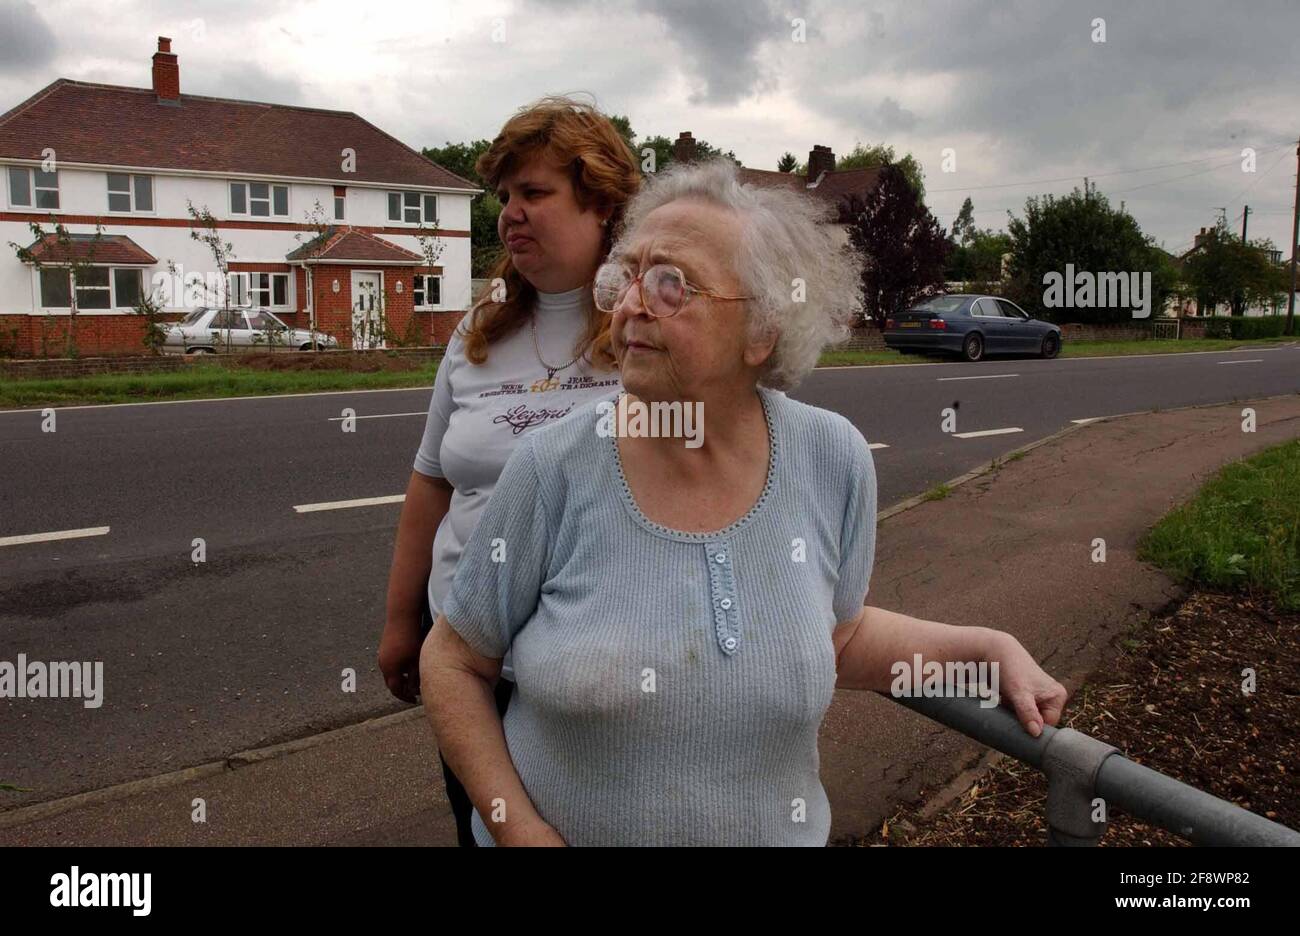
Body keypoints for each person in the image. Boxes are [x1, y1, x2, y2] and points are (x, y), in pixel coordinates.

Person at [420, 158, 1068, 846]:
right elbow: (456, 660)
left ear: (763, 330)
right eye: (628, 275)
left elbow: (834, 637)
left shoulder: (832, 458)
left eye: (671, 284)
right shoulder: (553, 467)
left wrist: (985, 650)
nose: (633, 303)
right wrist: (516, 829)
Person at [378, 95, 640, 846]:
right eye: (503, 196)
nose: (510, 213)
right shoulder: (476, 329)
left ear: (601, 205)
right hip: (463, 643)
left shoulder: (646, 328)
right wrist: (403, 621)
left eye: (534, 192)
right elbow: (432, 479)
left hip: (592, 651)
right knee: (484, 826)